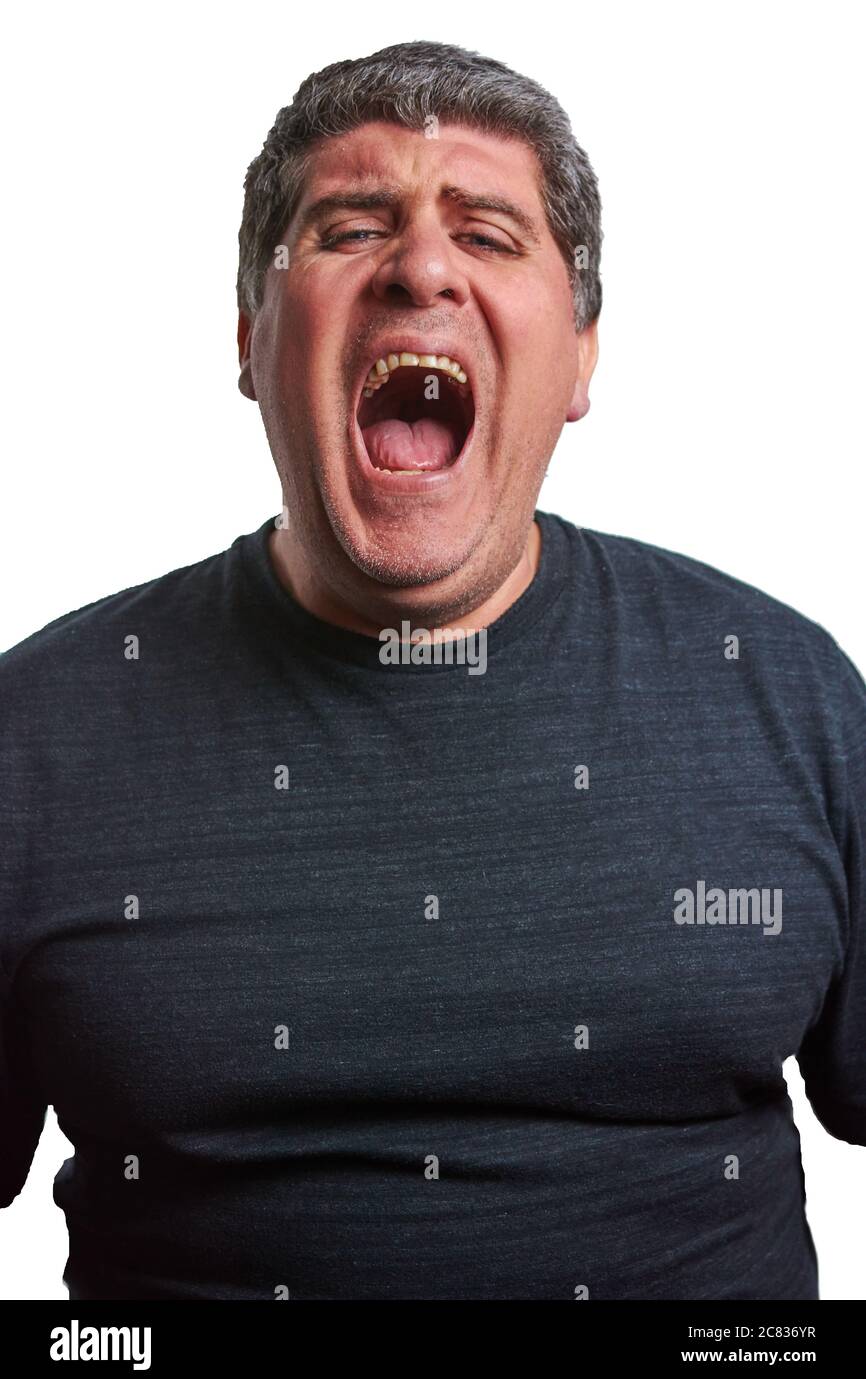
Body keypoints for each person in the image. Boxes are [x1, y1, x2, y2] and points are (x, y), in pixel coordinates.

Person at [1, 39, 864, 1301]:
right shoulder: (35, 738)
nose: (418, 266)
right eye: (351, 228)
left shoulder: (785, 700)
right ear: (250, 337)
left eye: (490, 234)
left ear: (577, 356)